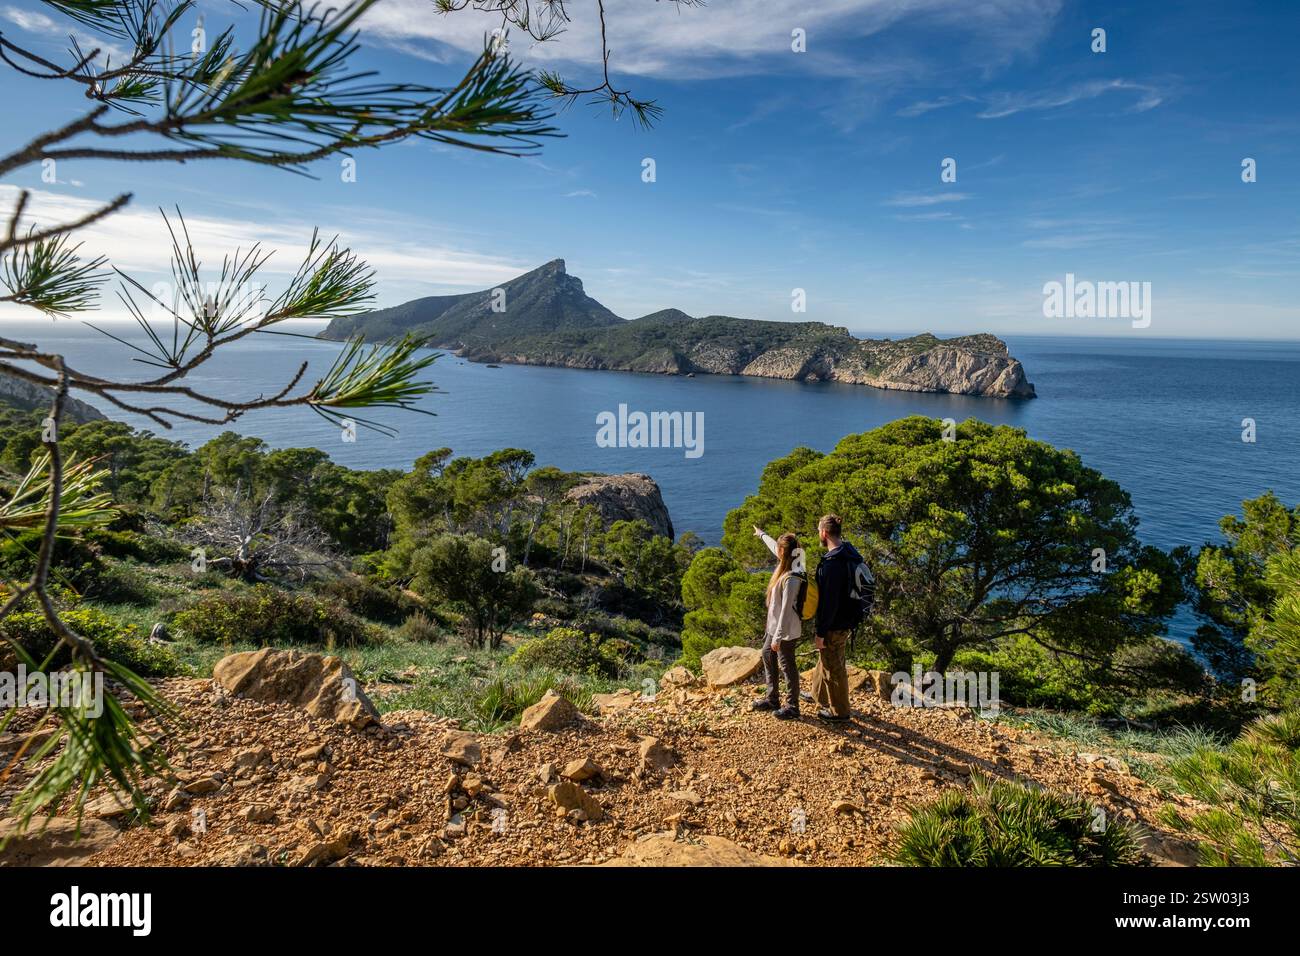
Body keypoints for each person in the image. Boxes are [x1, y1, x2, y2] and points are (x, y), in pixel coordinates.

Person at [750, 525, 804, 720]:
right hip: (774, 627)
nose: (777, 551)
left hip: (786, 629)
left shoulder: (792, 577)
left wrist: (778, 637)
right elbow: (774, 546)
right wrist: (762, 534)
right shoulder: (788, 563)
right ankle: (772, 699)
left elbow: (786, 610)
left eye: (779, 549)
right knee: (767, 654)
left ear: (784, 552)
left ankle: (793, 706)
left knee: (787, 665)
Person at [812, 513, 861, 722]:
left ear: (824, 533)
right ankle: (818, 695)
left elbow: (829, 603)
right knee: (826, 658)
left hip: (835, 623)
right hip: (848, 618)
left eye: (818, 531)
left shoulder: (832, 564)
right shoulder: (849, 553)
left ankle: (840, 712)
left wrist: (820, 632)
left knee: (834, 666)